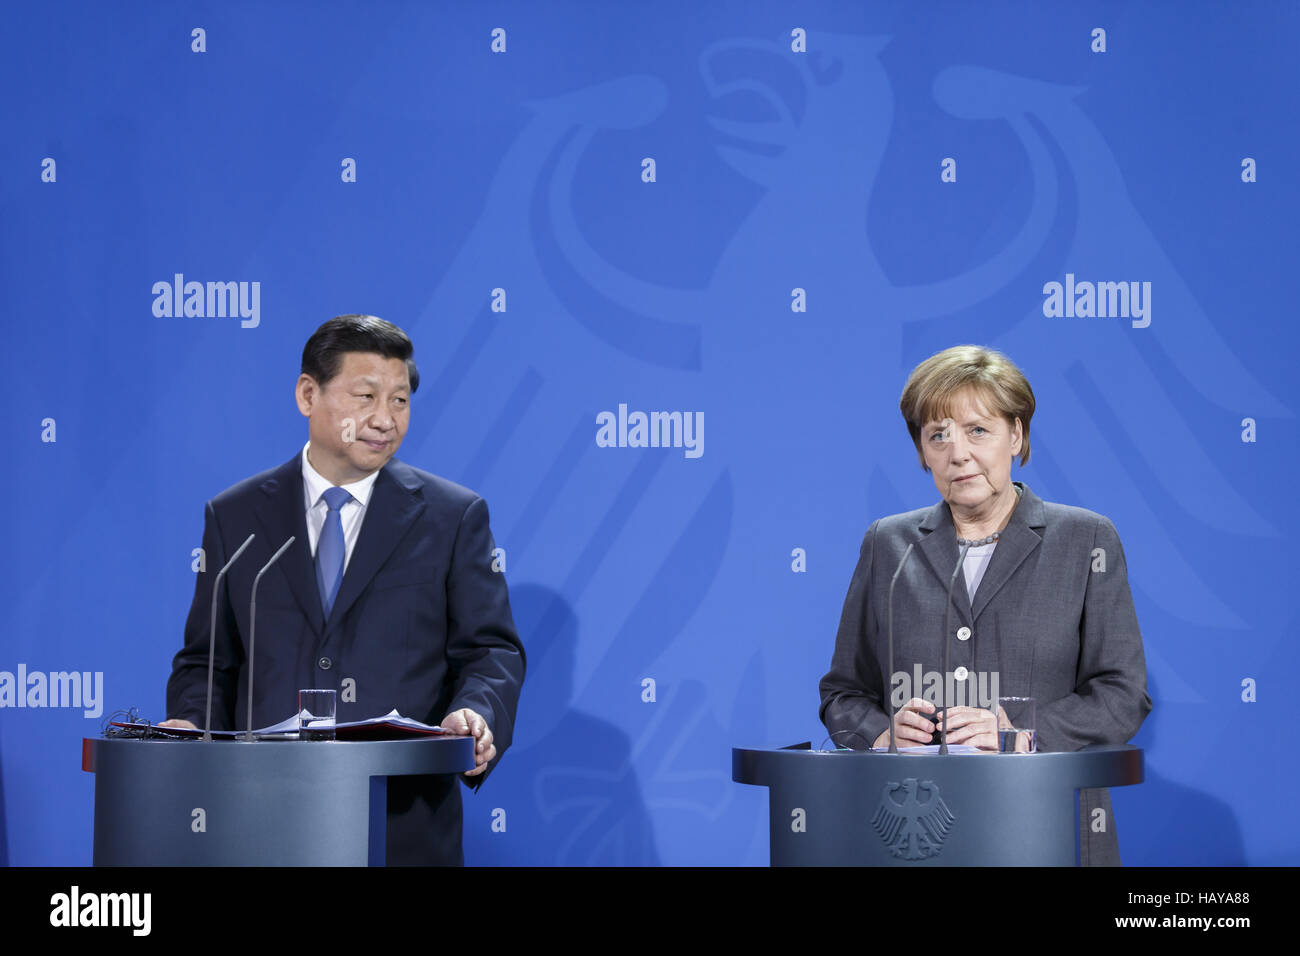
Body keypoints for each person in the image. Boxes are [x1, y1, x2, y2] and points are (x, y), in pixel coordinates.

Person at [162, 314, 525, 866]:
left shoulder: (452, 517)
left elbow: (490, 651)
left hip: (400, 825)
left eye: (400, 400)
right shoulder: (235, 517)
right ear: (308, 394)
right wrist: (189, 726)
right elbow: (207, 662)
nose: (385, 419)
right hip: (258, 823)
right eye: (366, 396)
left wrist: (475, 712)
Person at [819, 345, 1151, 865]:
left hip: (1045, 829)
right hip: (913, 836)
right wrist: (882, 733)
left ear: (1015, 436)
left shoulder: (1085, 539)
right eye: (938, 435)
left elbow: (1123, 695)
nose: (959, 453)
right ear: (922, 453)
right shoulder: (887, 544)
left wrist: (1022, 734)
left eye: (978, 430)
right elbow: (843, 692)